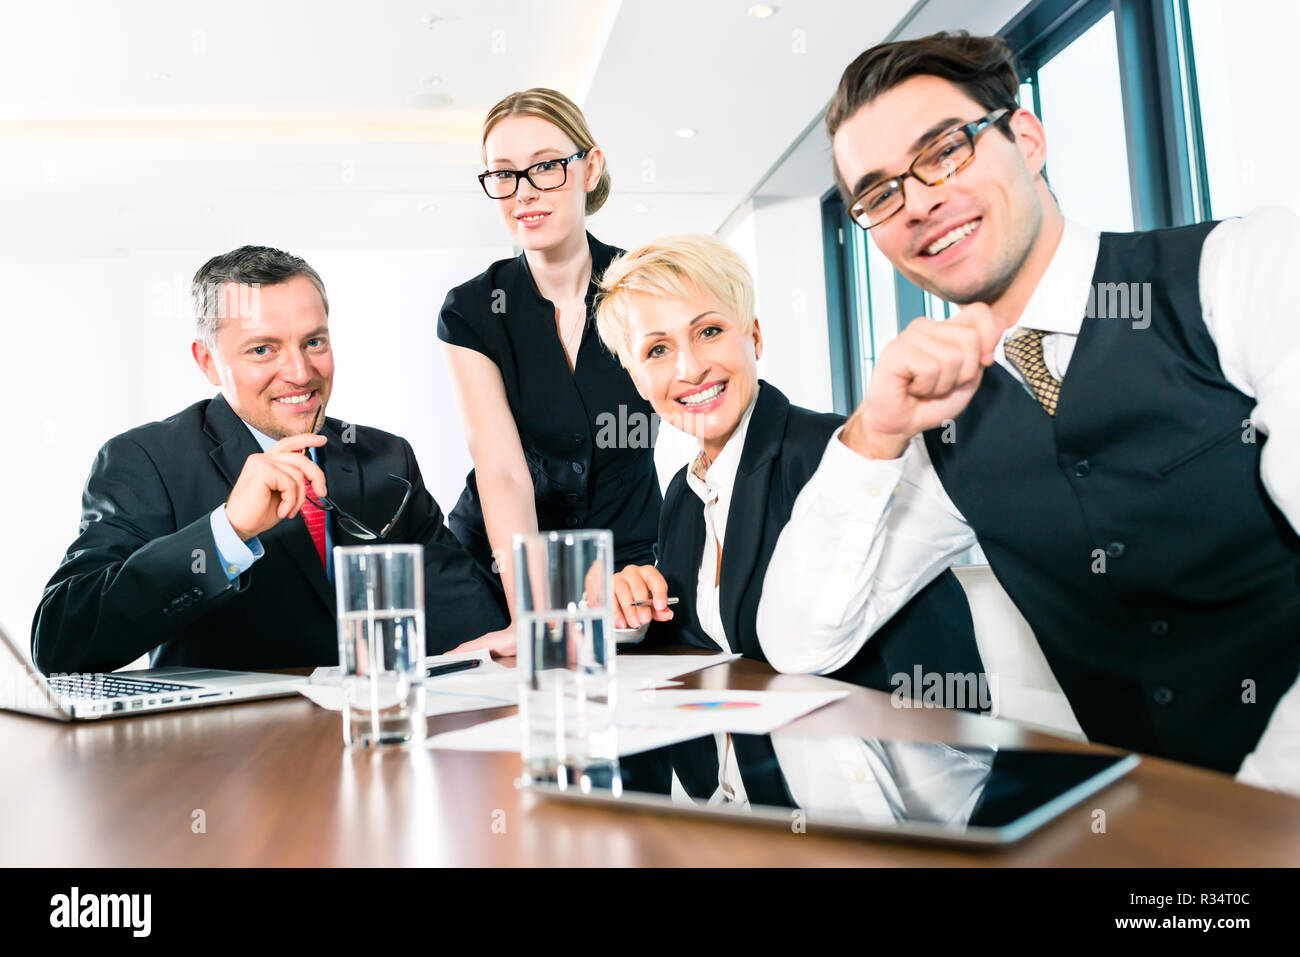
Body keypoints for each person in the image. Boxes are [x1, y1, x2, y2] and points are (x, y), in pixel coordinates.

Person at [758, 31, 1300, 792]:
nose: (918, 203)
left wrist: (1258, 814)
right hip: (1140, 839)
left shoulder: (1240, 269)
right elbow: (800, 640)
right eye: (879, 194)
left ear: (1027, 137)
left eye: (944, 150)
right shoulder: (940, 422)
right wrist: (871, 436)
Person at [31, 246, 507, 674]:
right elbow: (61, 641)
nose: (300, 373)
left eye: (314, 342)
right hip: (229, 759)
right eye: (263, 350)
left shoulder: (385, 457)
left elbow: (469, 623)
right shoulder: (146, 460)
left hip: (374, 742)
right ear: (209, 363)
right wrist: (228, 531)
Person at [595, 234, 984, 698]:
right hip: (738, 762)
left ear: (754, 336)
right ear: (636, 379)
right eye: (657, 350)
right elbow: (698, 645)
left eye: (709, 331)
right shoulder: (683, 493)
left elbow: (932, 663)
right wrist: (630, 615)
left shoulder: (841, 456)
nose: (691, 367)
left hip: (874, 754)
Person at [438, 88, 660, 656]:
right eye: (504, 174)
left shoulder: (649, 287)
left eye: (546, 167)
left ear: (590, 167)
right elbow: (503, 474)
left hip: (625, 568)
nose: (525, 193)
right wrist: (532, 621)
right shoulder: (471, 309)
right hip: (502, 574)